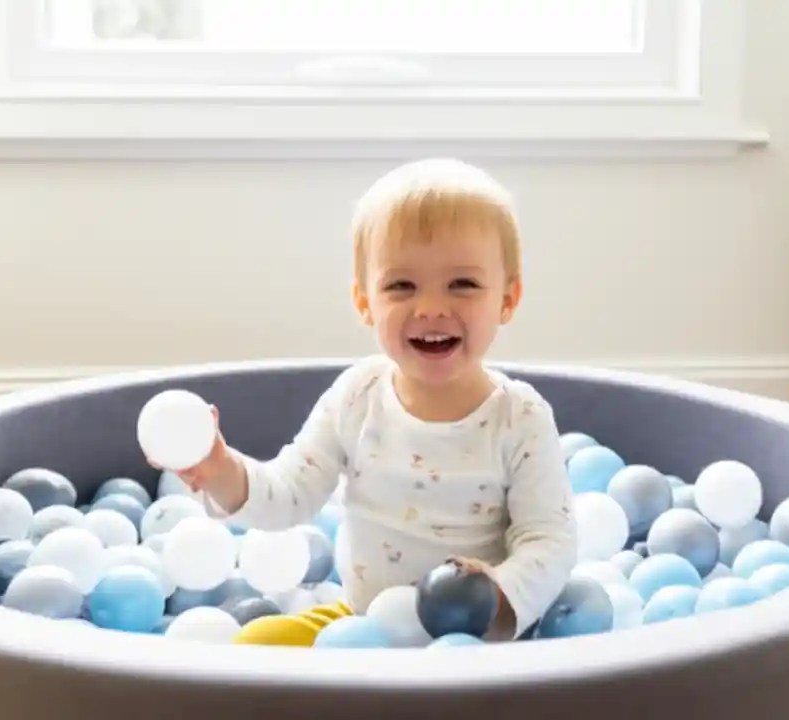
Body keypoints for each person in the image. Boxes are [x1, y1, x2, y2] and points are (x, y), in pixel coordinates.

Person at [168, 158, 576, 640]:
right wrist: (222, 471)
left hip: (476, 645)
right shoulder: (357, 396)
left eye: (462, 284)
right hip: (363, 628)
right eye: (401, 285)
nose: (430, 308)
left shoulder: (519, 418)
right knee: (254, 643)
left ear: (507, 299)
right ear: (365, 302)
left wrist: (496, 594)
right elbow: (289, 492)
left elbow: (549, 540)